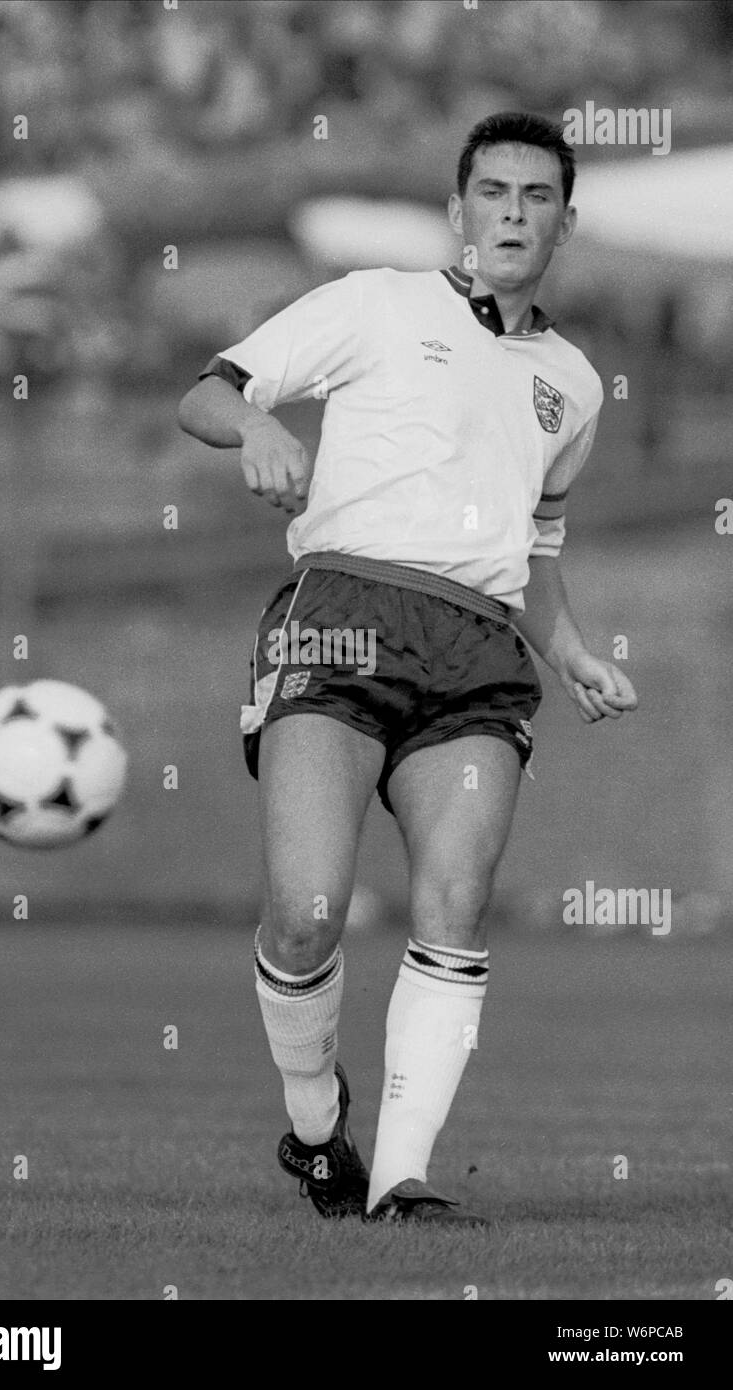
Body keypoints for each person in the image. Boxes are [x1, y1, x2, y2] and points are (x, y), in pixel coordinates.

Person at [177, 112, 637, 1225]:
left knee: (454, 899)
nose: (513, 213)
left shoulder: (573, 386)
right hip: (336, 618)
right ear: (457, 211)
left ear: (565, 222)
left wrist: (567, 647)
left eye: (536, 196)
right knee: (306, 909)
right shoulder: (375, 301)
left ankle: (401, 1183)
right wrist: (257, 431)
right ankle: (317, 1125)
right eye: (493, 192)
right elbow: (205, 393)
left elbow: (535, 550)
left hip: (476, 649)